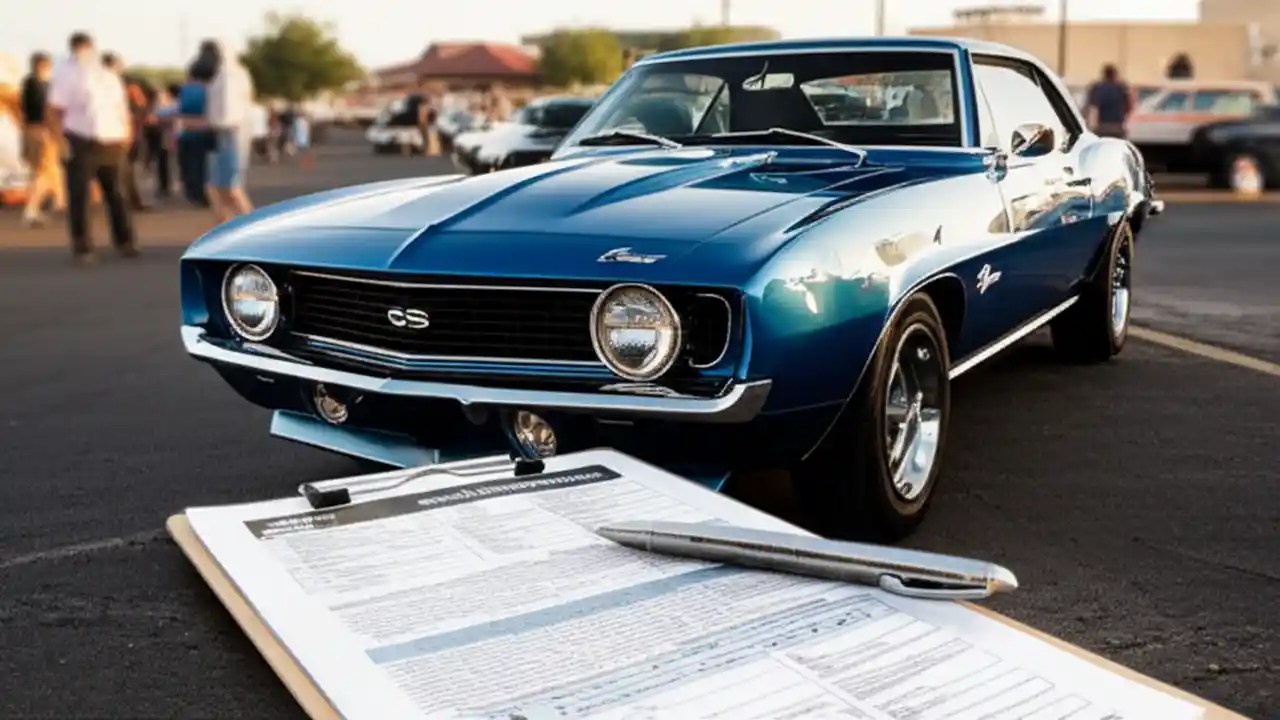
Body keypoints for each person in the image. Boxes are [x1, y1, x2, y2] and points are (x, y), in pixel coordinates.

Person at [47, 32, 137, 265]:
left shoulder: (105, 75)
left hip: (105, 140)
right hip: (85, 138)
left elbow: (121, 108)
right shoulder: (71, 74)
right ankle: (89, 246)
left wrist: (126, 135)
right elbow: (55, 109)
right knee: (87, 195)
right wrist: (60, 141)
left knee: (111, 194)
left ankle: (120, 242)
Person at [202, 39, 255, 223]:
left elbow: (227, 113)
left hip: (230, 133)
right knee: (219, 188)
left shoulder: (228, 75)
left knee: (231, 188)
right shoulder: (227, 74)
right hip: (227, 133)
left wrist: (207, 122)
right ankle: (224, 229)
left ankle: (255, 228)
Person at [19, 51, 66, 227]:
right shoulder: (37, 84)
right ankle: (32, 209)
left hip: (36, 130)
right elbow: (44, 110)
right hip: (42, 131)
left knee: (46, 172)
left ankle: (43, 206)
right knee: (43, 172)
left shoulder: (32, 83)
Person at [101, 52, 151, 211]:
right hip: (126, 129)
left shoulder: (98, 84)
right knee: (126, 167)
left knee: (121, 167)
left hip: (111, 130)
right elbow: (141, 106)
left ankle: (127, 200)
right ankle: (130, 200)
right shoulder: (127, 84)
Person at [175, 46, 217, 206]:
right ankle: (207, 193)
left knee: (192, 166)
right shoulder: (213, 89)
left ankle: (195, 193)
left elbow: (182, 110)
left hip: (189, 131)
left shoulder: (187, 89)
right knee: (207, 166)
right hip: (209, 130)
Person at [1084, 64, 1135, 139]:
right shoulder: (1121, 88)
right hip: (1117, 126)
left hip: (1102, 126)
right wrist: (1124, 118)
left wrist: (1091, 124)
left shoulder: (1098, 88)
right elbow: (1129, 106)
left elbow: (1091, 107)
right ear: (1115, 74)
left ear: (1104, 74)